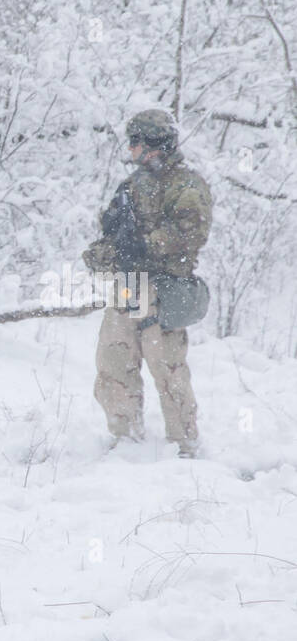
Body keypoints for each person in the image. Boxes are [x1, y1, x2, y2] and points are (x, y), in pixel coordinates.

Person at [83, 109, 212, 458]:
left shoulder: (186, 186)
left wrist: (145, 244)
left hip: (165, 288)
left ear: (154, 143)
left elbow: (191, 234)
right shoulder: (131, 187)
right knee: (113, 362)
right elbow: (113, 236)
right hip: (129, 286)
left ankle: (184, 445)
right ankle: (126, 438)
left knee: (167, 369)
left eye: (136, 142)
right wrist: (102, 254)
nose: (132, 149)